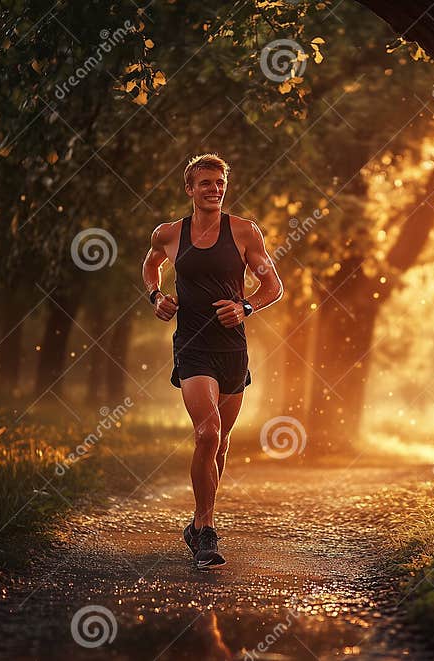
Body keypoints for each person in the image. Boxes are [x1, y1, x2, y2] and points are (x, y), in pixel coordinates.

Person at [141, 153, 283, 569]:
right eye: (205, 183)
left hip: (232, 349)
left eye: (219, 182)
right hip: (192, 345)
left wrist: (246, 307)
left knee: (219, 443)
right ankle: (206, 531)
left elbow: (273, 284)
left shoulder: (244, 232)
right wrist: (156, 296)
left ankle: (198, 522)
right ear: (190, 188)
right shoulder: (168, 234)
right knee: (207, 433)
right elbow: (151, 266)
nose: (214, 189)